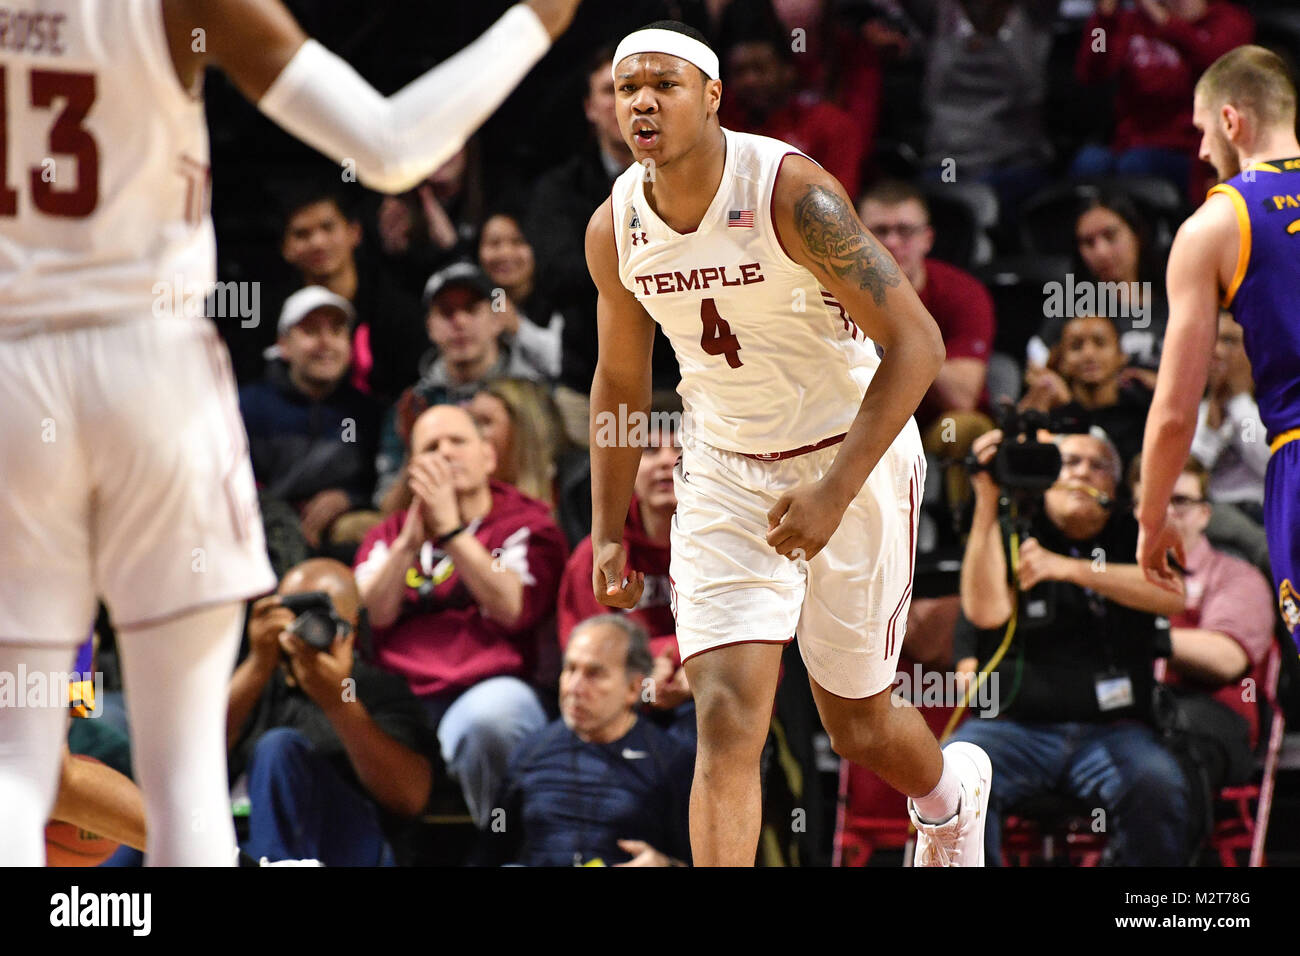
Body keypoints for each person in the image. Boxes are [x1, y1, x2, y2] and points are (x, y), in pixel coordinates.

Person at [0, 0, 580, 866]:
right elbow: (393, 146)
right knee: (185, 772)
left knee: (18, 761)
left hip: (13, 376)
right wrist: (537, 18)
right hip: (145, 362)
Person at [586, 20, 989, 867]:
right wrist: (607, 527)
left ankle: (949, 801)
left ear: (714, 96)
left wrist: (833, 492)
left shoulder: (789, 192)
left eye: (665, 83)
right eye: (628, 88)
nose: (644, 102)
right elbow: (621, 383)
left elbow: (917, 343)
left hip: (853, 452)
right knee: (727, 716)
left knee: (860, 724)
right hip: (726, 467)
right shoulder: (614, 225)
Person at [953, 428, 1190, 865]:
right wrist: (986, 499)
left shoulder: (1134, 531)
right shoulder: (1014, 528)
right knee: (956, 775)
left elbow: (1173, 594)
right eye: (1069, 463)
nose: (1082, 472)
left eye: (1097, 464)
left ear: (1114, 485)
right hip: (1013, 730)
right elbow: (985, 613)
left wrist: (1068, 569)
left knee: (1157, 783)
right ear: (1045, 477)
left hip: (1116, 731)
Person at [1138, 46, 1300, 646]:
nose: (1203, 152)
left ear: (1232, 122)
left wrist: (1153, 517)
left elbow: (1177, 411)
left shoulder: (1215, 225)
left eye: (1204, 132)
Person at [354, 404, 568, 827]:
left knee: (492, 716)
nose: (446, 452)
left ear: (488, 456)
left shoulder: (528, 525)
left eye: (458, 441)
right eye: (432, 446)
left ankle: (502, 847)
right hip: (403, 701)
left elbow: (514, 609)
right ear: (413, 468)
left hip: (491, 689)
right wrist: (407, 546)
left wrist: (451, 533)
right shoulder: (389, 534)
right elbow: (372, 618)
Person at [227, 559, 437, 865]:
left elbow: (409, 798)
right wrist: (258, 663)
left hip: (349, 846)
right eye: (292, 612)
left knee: (279, 747)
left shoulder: (378, 689)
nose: (302, 627)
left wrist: (339, 703)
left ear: (350, 624)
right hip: (242, 841)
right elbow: (192, 760)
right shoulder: (254, 684)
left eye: (316, 612)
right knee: (152, 825)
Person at [482, 615, 693, 867]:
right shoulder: (530, 752)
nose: (574, 687)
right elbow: (491, 845)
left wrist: (667, 865)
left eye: (594, 674)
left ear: (633, 688)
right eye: (570, 669)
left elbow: (705, 860)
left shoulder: (672, 762)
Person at [374, 261, 548, 509]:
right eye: (446, 312)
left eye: (471, 309)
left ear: (498, 318)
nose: (459, 322)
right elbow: (388, 509)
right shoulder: (413, 405)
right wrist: (416, 451)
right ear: (430, 327)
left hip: (521, 521)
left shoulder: (533, 394)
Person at [558, 416, 689, 740]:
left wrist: (696, 668)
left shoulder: (728, 547)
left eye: (681, 448)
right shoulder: (596, 554)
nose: (665, 461)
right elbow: (584, 650)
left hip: (705, 693)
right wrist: (645, 675)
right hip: (618, 701)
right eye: (648, 449)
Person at [239, 287, 383, 553]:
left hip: (339, 533)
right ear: (283, 344)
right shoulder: (247, 406)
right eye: (311, 331)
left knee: (367, 528)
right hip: (262, 531)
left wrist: (349, 498)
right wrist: (282, 516)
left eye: (336, 331)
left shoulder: (366, 411)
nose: (325, 343)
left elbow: (377, 483)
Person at [1073, 0, 1253, 197]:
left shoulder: (1226, 19)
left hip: (1188, 151)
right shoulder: (1131, 23)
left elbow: (1217, 65)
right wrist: (1104, 21)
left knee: (1135, 164)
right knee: (1089, 162)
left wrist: (1164, 21)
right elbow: (1092, 70)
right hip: (1128, 142)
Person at [271, 185, 427, 400]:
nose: (318, 243)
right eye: (302, 234)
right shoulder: (273, 314)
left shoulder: (396, 310)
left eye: (328, 228)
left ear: (354, 232)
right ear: (286, 248)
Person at [1019, 314, 1152, 471]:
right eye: (1076, 346)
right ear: (1062, 360)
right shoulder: (1051, 417)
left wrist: (1068, 406)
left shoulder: (1142, 415)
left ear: (1122, 355)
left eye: (1100, 343)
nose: (1088, 354)